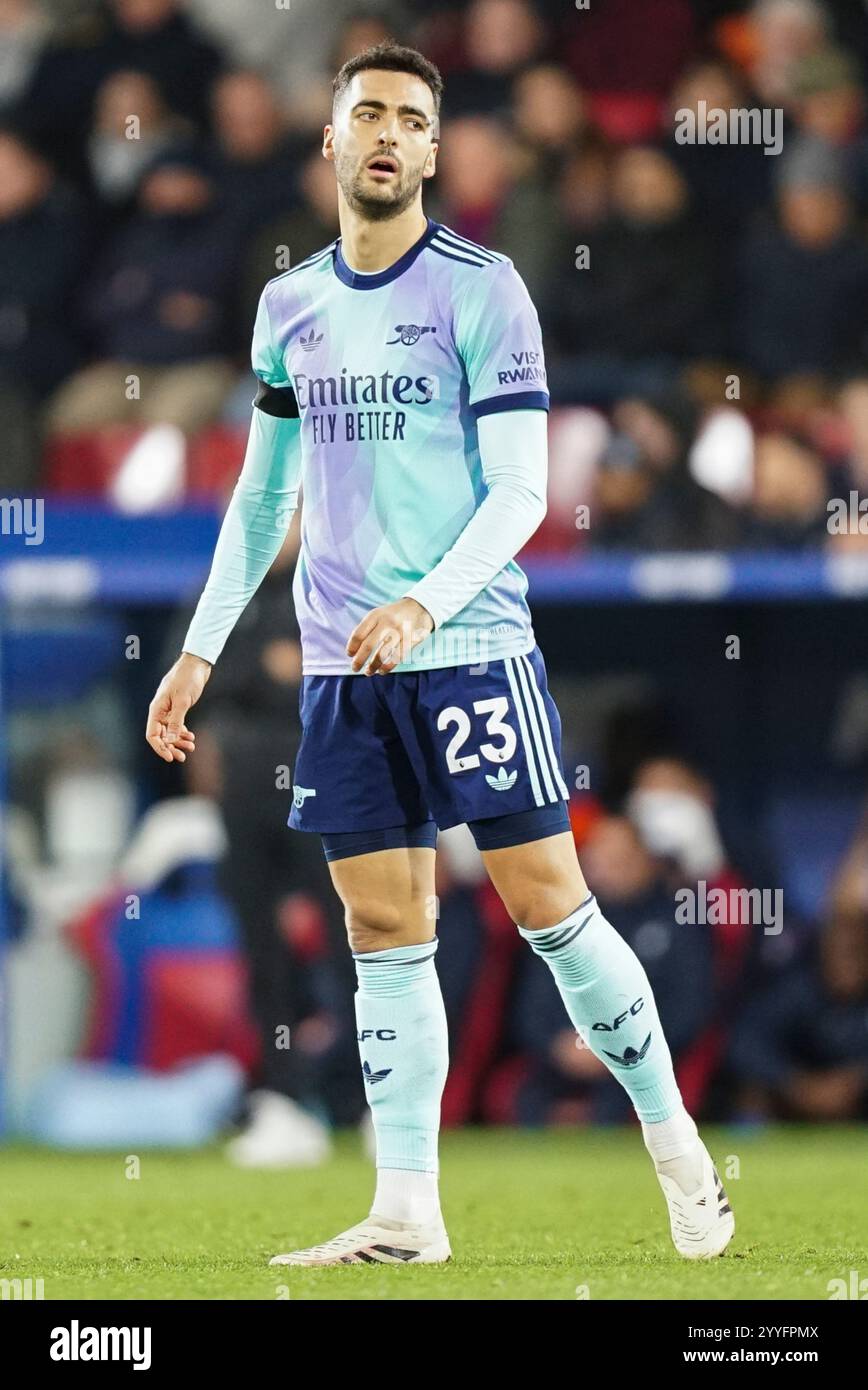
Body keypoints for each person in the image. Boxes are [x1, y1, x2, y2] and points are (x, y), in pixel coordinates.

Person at [145, 41, 734, 1268]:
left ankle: (677, 1146)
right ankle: (407, 1209)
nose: (385, 134)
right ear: (331, 140)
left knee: (546, 904)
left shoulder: (483, 288)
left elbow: (522, 489)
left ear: (428, 152)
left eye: (411, 119)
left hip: (465, 646)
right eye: (365, 112)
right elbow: (261, 502)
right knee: (380, 930)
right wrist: (198, 651)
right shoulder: (288, 304)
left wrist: (422, 603)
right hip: (342, 670)